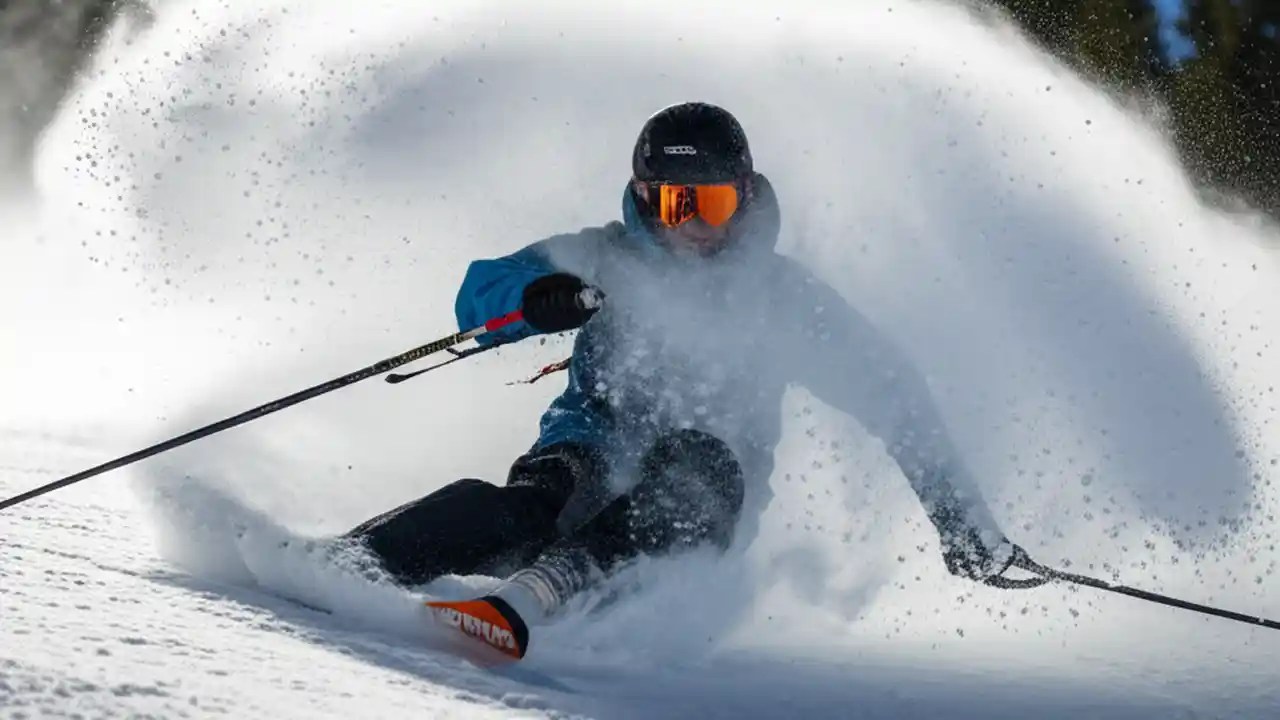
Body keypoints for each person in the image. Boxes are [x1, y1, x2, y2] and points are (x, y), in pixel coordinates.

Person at [347, 102, 1023, 658]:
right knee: (529, 504)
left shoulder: (782, 300)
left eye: (717, 205)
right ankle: (353, 564)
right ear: (645, 197)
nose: (697, 226)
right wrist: (535, 298)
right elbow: (481, 299)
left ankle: (537, 593)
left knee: (696, 461)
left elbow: (892, 391)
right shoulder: (605, 259)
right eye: (677, 204)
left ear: (747, 196)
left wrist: (958, 518)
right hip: (585, 462)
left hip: (690, 518)